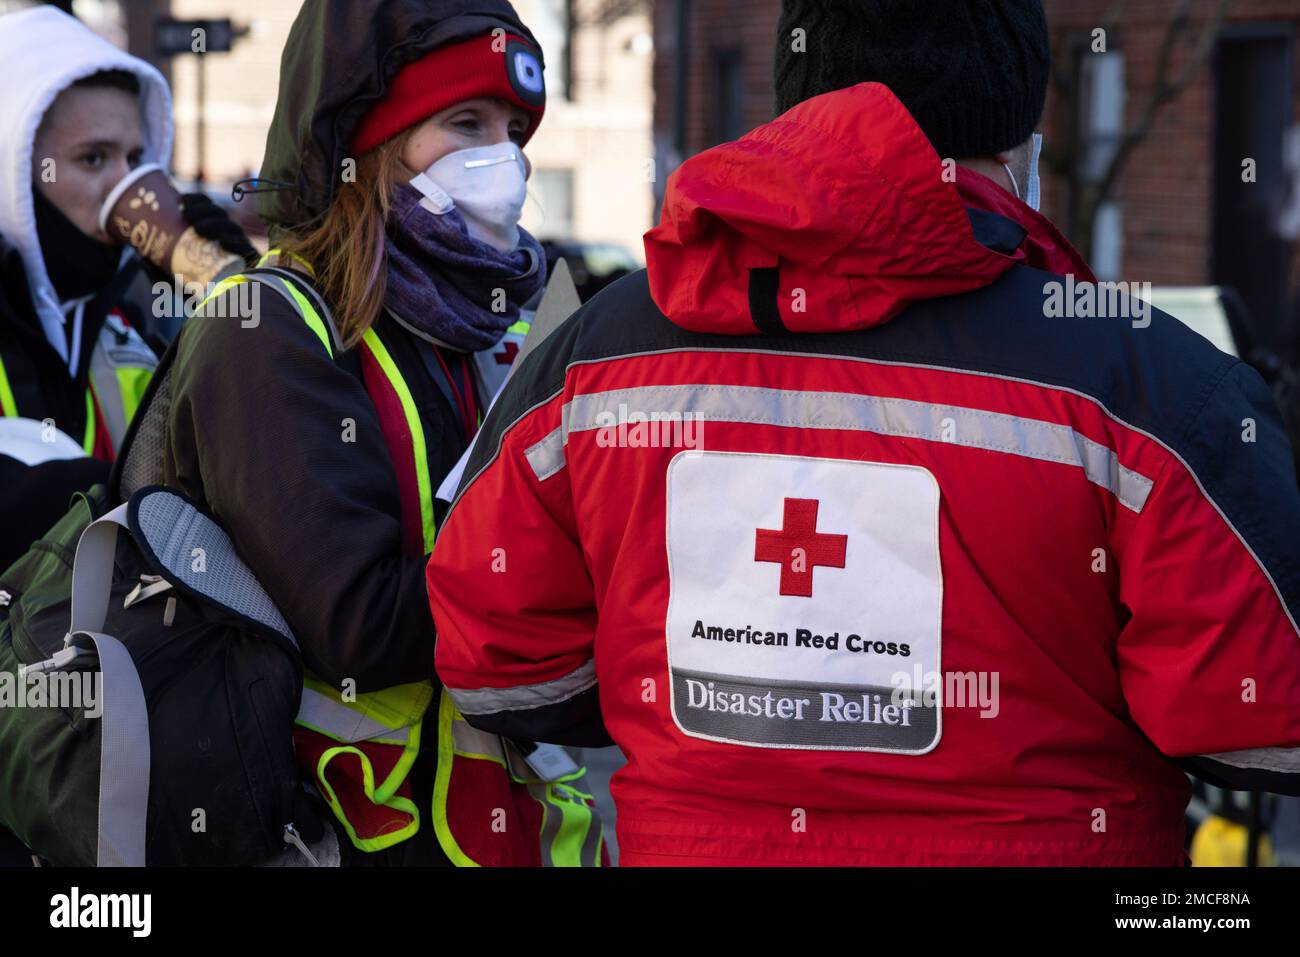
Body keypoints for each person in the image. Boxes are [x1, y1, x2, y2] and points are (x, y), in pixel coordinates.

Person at [428, 0, 1300, 866]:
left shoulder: (586, 357)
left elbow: (496, 665)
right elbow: (1264, 722)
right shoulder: (1156, 386)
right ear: (1018, 139)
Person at [159, 0, 600, 866]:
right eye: (464, 123)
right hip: (340, 832)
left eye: (515, 129)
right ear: (367, 144)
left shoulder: (493, 324)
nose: (502, 161)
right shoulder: (269, 329)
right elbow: (357, 621)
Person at [0, 5, 252, 570]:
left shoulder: (127, 326)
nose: (126, 184)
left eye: (137, 158)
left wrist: (234, 319)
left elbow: (251, 465)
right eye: (93, 159)